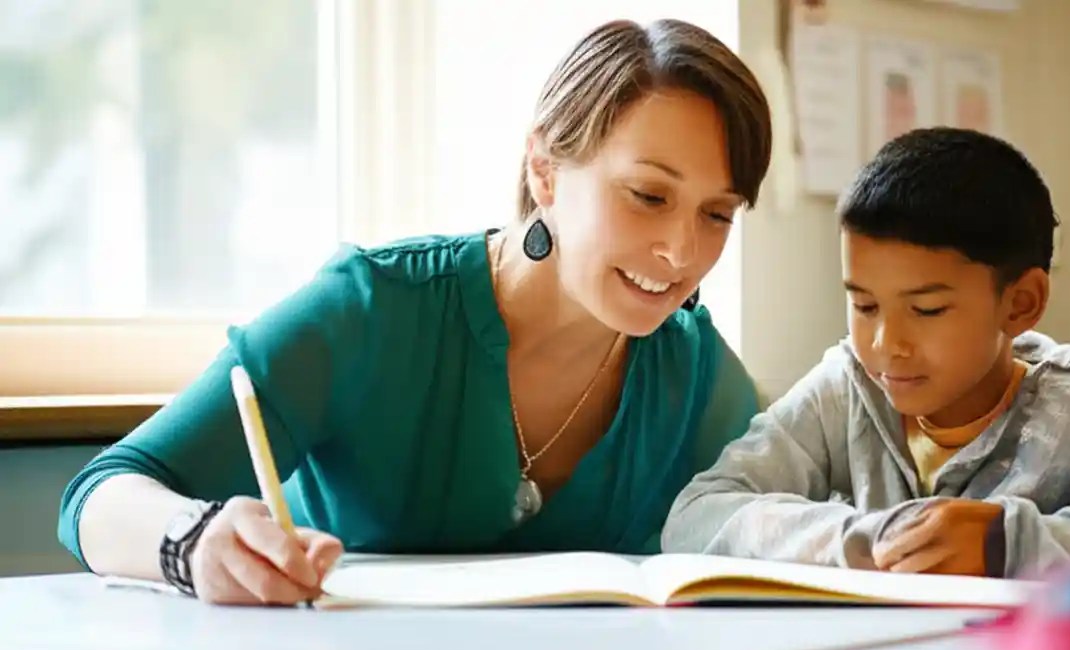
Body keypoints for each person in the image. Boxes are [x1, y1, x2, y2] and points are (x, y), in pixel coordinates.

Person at [58, 18, 772, 605]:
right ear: (545, 171)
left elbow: (796, 521)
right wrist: (194, 540)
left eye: (717, 214)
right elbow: (96, 497)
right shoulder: (368, 311)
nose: (682, 252)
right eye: (649, 196)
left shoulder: (698, 372)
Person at [662, 128, 1070, 578]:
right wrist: (865, 539)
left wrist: (1001, 542)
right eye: (865, 305)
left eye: (926, 311)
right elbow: (696, 516)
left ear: (1021, 303)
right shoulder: (845, 389)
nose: (884, 344)